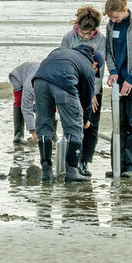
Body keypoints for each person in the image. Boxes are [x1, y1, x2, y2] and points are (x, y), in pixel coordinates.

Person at [32, 45, 102, 183]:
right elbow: (86, 98)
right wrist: (85, 119)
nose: (95, 72)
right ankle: (72, 171)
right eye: (97, 70)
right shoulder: (88, 67)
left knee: (44, 125)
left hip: (39, 80)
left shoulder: (60, 50)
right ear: (95, 63)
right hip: (64, 83)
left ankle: (46, 171)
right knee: (74, 127)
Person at [60, 6, 106, 176]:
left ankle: (85, 161)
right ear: (77, 26)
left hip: (93, 87)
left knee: (91, 125)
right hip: (73, 87)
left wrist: (93, 93)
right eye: (83, 33)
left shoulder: (100, 40)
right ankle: (72, 161)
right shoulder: (68, 38)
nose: (85, 37)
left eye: (89, 34)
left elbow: (99, 70)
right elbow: (62, 62)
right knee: (73, 124)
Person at [104, 0, 132, 177]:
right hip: (118, 83)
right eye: (110, 17)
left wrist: (131, 79)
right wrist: (113, 71)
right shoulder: (110, 27)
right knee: (118, 123)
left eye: (115, 16)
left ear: (124, 10)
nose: (113, 20)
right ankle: (118, 165)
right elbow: (109, 52)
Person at [8, 61, 40, 144]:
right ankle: (18, 134)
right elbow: (26, 107)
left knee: (47, 106)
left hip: (36, 72)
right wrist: (34, 133)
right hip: (19, 76)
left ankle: (53, 134)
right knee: (19, 101)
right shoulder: (29, 87)